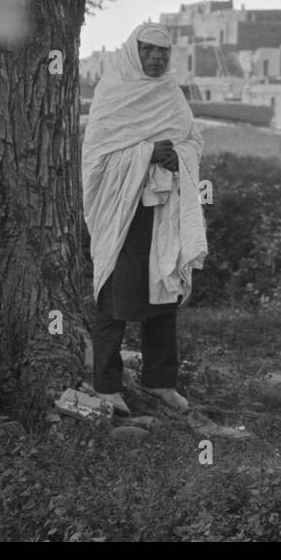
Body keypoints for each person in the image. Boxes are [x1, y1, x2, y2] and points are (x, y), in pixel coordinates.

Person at [81, 22, 208, 417]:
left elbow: (191, 141)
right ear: (134, 51)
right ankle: (106, 386)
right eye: (149, 50)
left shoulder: (171, 94)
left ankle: (160, 381)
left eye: (163, 52)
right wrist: (150, 151)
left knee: (165, 292)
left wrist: (178, 155)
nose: (156, 57)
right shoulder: (113, 90)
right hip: (123, 212)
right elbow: (98, 157)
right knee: (114, 296)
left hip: (163, 211)